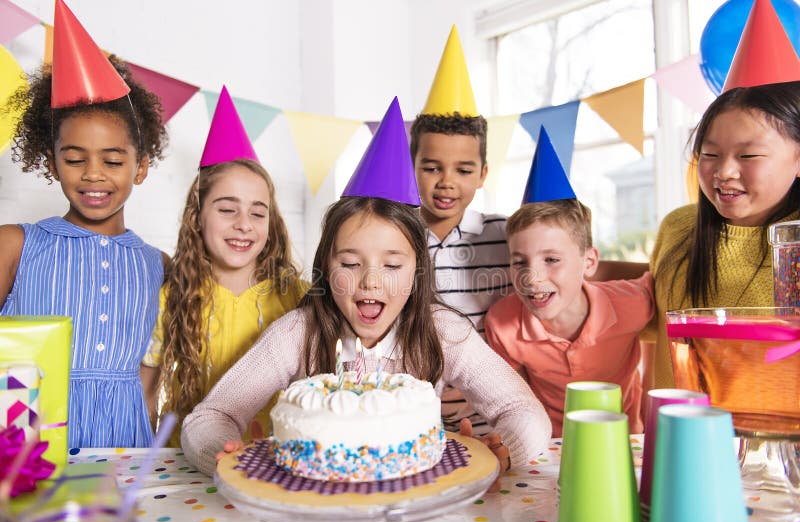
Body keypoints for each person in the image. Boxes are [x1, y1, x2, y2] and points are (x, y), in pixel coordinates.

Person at [181, 98, 551, 478]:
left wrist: (508, 448)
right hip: (311, 501)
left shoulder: (443, 331)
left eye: (392, 265)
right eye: (351, 263)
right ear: (326, 264)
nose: (371, 281)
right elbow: (210, 416)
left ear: (417, 270)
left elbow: (525, 412)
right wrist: (221, 452)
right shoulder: (296, 332)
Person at [0, 0, 168, 447]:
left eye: (113, 160)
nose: (93, 174)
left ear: (141, 166)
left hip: (125, 441)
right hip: (28, 438)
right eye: (74, 159)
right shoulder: (15, 245)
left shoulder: (158, 264)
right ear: (52, 163)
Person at [141, 88, 307, 445]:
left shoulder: (298, 298)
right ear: (197, 217)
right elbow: (146, 395)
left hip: (272, 462)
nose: (244, 223)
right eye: (227, 209)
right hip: (188, 466)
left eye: (257, 213)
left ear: (271, 223)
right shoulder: (169, 300)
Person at [649, 0, 800, 388]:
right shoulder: (680, 229)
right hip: (677, 440)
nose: (723, 172)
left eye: (748, 155)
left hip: (778, 445)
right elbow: (648, 317)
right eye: (710, 154)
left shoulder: (793, 248)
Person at [484, 127, 653, 437]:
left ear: (588, 262)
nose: (532, 278)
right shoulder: (503, 324)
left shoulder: (633, 303)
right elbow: (511, 402)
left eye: (551, 260)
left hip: (627, 444)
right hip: (549, 449)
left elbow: (669, 280)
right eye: (519, 261)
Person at [410, 26, 511, 436]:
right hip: (411, 409)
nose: (446, 182)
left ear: (483, 174)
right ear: (411, 166)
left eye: (464, 170)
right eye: (432, 167)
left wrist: (484, 387)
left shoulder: (504, 237)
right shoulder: (394, 239)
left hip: (490, 410)